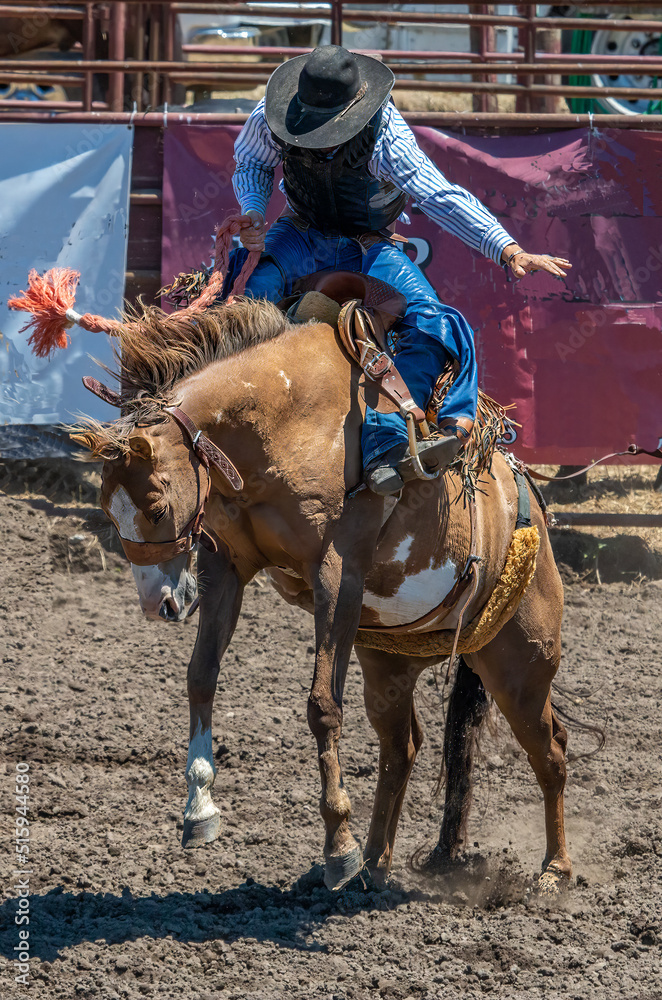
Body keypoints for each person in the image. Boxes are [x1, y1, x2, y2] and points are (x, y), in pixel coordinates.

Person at [223, 45, 571, 495]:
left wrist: (506, 248)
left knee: (430, 319)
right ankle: (219, 418)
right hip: (300, 231)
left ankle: (388, 438)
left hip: (368, 243)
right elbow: (251, 162)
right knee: (247, 294)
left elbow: (437, 195)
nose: (321, 135)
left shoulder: (385, 132)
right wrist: (252, 211)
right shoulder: (271, 117)